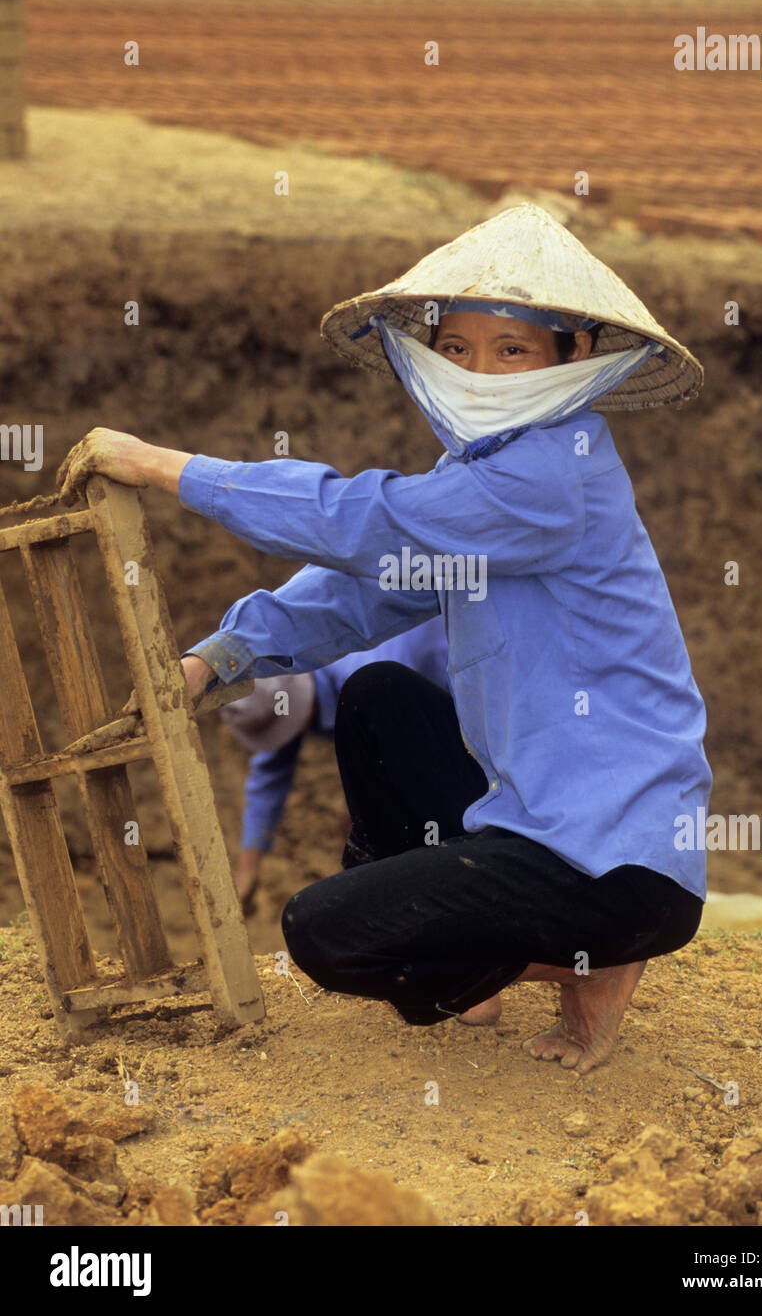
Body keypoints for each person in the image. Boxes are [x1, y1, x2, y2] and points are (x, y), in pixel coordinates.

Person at [55, 203, 712, 1073]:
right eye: (456, 348)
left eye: (512, 350)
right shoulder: (479, 482)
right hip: (531, 829)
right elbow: (365, 588)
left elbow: (366, 521)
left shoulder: (557, 476)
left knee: (322, 934)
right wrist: (221, 658)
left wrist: (165, 467)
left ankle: (586, 962)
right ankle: (472, 970)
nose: (480, 370)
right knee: (377, 699)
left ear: (572, 356)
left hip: (617, 870)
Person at [221, 618, 448, 912]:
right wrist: (247, 870)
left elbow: (410, 758)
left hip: (460, 691)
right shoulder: (284, 695)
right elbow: (268, 777)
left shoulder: (366, 677)